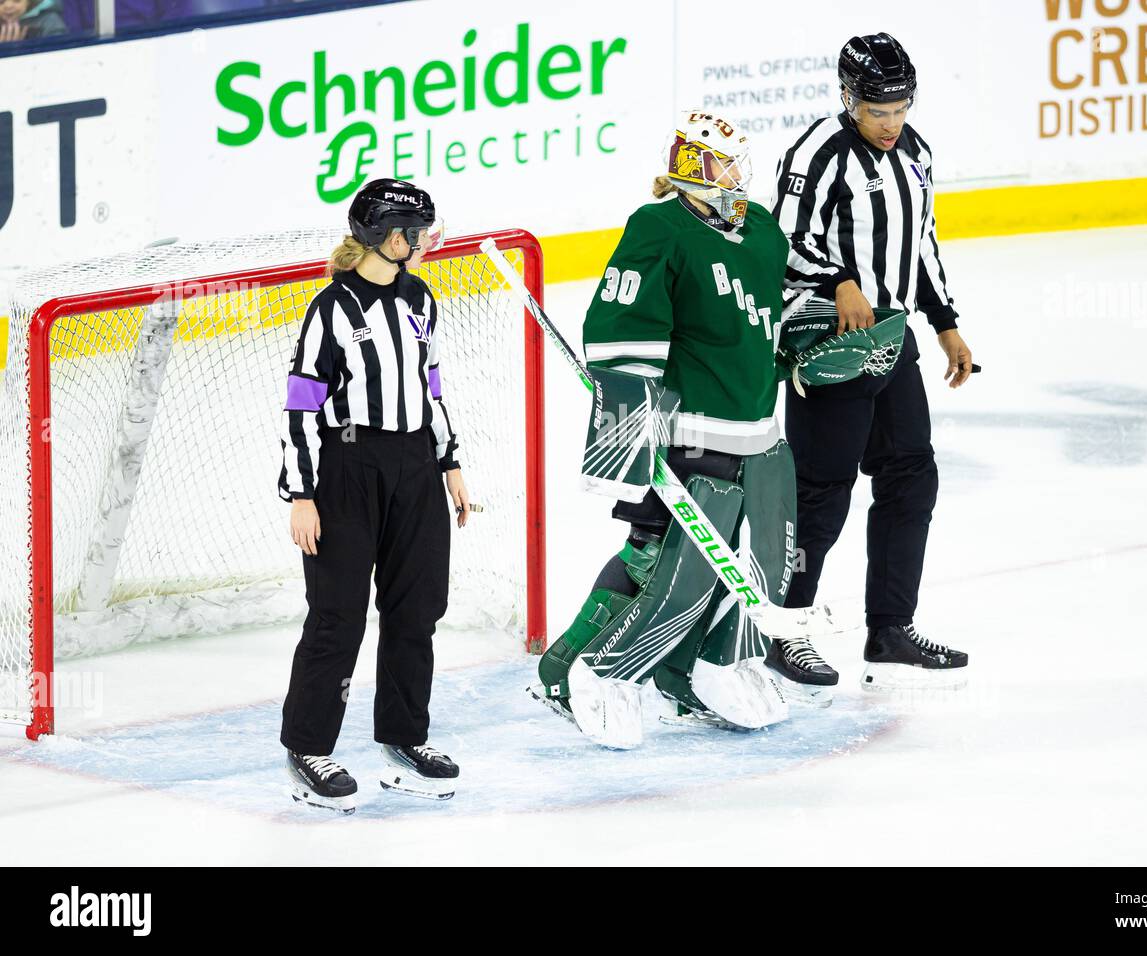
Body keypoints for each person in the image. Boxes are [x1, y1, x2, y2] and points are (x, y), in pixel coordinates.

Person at [530, 109, 838, 749]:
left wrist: (804, 349)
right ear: (694, 166)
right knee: (666, 564)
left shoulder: (759, 230)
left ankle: (692, 670)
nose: (738, 174)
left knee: (759, 569)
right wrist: (626, 432)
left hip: (759, 429)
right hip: (691, 433)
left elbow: (770, 318)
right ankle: (573, 669)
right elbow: (619, 327)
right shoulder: (659, 227)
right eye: (725, 162)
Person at [772, 33, 973, 691]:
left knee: (912, 475)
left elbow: (922, 244)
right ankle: (784, 630)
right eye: (878, 110)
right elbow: (784, 241)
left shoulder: (916, 152)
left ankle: (889, 629)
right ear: (849, 97)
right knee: (821, 494)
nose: (891, 123)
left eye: (901, 108)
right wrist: (837, 282)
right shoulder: (817, 154)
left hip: (892, 339)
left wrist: (946, 325)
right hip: (828, 343)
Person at [277, 178, 472, 813]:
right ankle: (309, 747)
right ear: (392, 238)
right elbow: (302, 406)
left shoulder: (421, 299)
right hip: (347, 469)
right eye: (419, 233)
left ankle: (405, 736)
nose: (425, 243)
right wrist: (302, 495)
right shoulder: (329, 311)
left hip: (415, 464)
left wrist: (451, 463)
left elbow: (431, 385)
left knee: (417, 608)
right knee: (338, 614)